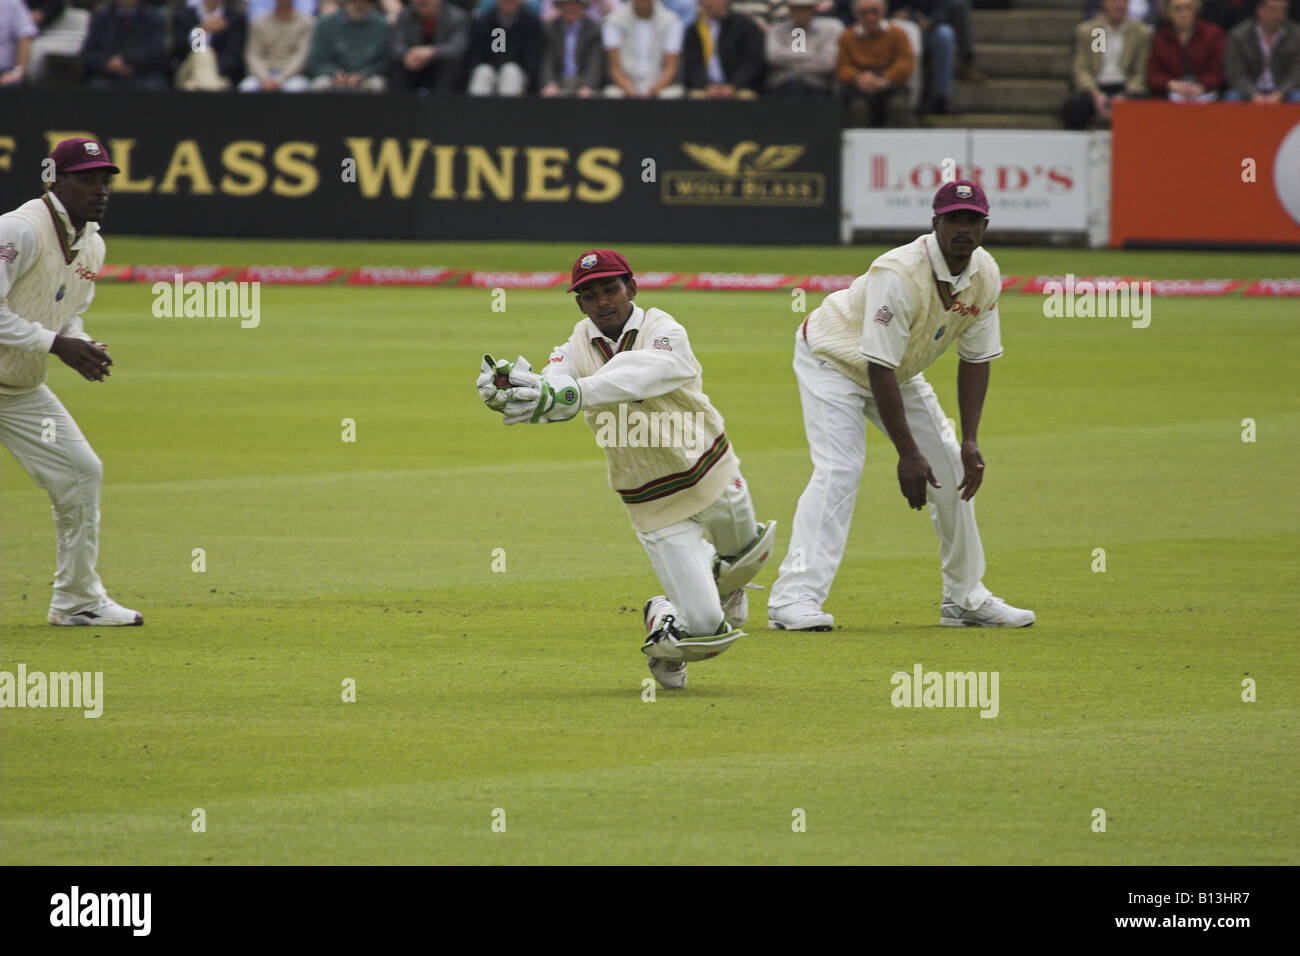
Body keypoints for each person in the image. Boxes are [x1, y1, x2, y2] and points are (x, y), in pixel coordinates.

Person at [476, 250, 778, 689]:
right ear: (579, 304)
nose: (603, 302)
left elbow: (642, 374)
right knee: (709, 637)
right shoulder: (571, 352)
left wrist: (568, 395)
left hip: (710, 470)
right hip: (650, 499)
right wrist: (521, 393)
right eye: (590, 295)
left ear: (631, 288)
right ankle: (664, 619)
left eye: (611, 290)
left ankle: (723, 580)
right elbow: (556, 389)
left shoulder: (664, 331)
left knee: (751, 554)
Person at [767, 180, 1032, 632]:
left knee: (950, 466)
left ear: (985, 227)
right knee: (840, 469)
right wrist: (908, 453)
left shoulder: (985, 274)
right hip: (832, 359)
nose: (963, 229)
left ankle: (965, 599)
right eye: (954, 220)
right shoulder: (898, 274)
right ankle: (793, 600)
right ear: (936, 224)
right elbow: (877, 366)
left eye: (972, 220)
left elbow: (976, 360)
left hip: (897, 370)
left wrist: (970, 440)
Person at [0, 139, 142, 628]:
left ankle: (77, 600)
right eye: (86, 180)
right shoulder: (20, 230)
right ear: (54, 182)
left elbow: (70, 311)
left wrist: (80, 344)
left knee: (81, 471)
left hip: (16, 388)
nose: (99, 190)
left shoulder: (92, 243)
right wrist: (57, 345)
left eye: (105, 180)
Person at [1062, 0, 1151, 129]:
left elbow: (1140, 71)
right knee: (1074, 106)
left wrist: (1126, 94)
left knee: (1144, 106)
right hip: (1097, 86)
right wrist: (1095, 93)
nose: (1120, 5)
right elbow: (1082, 68)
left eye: (1124, 1)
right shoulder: (1091, 31)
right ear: (1105, 3)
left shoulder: (1141, 33)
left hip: (1126, 87)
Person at [836, 0, 914, 125]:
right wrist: (858, 77)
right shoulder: (847, 37)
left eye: (874, 11)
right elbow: (843, 67)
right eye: (863, 12)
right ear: (856, 14)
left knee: (898, 106)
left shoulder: (898, 34)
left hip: (891, 86)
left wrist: (884, 80)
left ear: (883, 11)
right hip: (858, 88)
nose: (869, 17)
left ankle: (903, 143)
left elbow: (905, 64)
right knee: (857, 108)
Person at [602, 0, 685, 98]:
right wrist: (631, 92)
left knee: (672, 95)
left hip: (659, 88)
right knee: (612, 94)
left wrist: (651, 92)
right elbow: (615, 69)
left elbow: (670, 68)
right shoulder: (613, 20)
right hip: (624, 87)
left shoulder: (672, 21)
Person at [682, 0, 766, 97]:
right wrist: (705, 85)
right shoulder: (694, 30)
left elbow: (754, 62)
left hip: (741, 87)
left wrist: (734, 85)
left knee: (746, 95)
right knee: (694, 96)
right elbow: (691, 66)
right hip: (705, 89)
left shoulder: (745, 25)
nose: (708, 3)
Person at [1147, 0, 1225, 101]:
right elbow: (1153, 73)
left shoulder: (1214, 35)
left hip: (1207, 94)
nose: (1184, 13)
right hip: (1170, 95)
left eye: (1188, 8)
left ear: (1196, 8)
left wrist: (1202, 86)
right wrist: (1171, 84)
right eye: (1177, 9)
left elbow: (1219, 71)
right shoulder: (1159, 39)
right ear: (1168, 12)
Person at [306, 0, 392, 91]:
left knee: (376, 84)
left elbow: (385, 62)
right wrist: (334, 73)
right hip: (332, 77)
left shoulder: (381, 24)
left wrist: (363, 74)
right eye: (354, 1)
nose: (360, 4)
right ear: (344, 2)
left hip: (367, 77)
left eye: (365, 1)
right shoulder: (325, 24)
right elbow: (316, 62)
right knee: (320, 84)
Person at [1223, 0, 1300, 101]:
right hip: (1248, 90)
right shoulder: (1239, 35)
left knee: (1297, 97)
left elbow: (1297, 72)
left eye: (1283, 10)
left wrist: (1281, 92)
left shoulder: (1296, 35)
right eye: (1273, 10)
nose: (1279, 16)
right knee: (1232, 98)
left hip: (1284, 90)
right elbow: (1236, 73)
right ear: (1260, 10)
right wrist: (1253, 94)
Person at [765, 0, 843, 96]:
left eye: (807, 8)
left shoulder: (832, 27)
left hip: (817, 86)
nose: (802, 12)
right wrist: (813, 54)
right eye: (797, 8)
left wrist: (787, 58)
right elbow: (772, 57)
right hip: (782, 85)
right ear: (790, 9)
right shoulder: (776, 29)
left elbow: (828, 63)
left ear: (814, 8)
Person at [465, 0, 543, 95]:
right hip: (489, 71)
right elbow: (474, 56)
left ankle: (509, 110)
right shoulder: (483, 22)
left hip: (517, 74)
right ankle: (476, 109)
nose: (509, 2)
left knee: (510, 71)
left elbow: (532, 59)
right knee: (483, 72)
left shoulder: (531, 23)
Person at [392, 0, 470, 92]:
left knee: (452, 65)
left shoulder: (457, 17)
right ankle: (401, 103)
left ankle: (442, 104)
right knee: (398, 65)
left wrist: (431, 52)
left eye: (426, 2)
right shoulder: (404, 16)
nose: (422, 1)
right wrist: (408, 55)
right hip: (413, 66)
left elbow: (457, 48)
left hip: (441, 65)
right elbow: (397, 46)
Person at [240, 0, 314, 91]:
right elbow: (253, 55)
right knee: (247, 87)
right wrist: (264, 78)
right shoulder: (258, 22)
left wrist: (280, 80)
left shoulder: (307, 23)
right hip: (263, 75)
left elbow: (301, 56)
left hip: (293, 76)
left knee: (294, 88)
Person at [539, 0, 602, 96]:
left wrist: (588, 85)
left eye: (575, 4)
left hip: (582, 83)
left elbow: (595, 62)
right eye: (566, 3)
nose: (571, 8)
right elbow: (547, 60)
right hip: (558, 83)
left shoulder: (593, 30)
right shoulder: (551, 28)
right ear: (560, 7)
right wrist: (549, 83)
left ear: (582, 7)